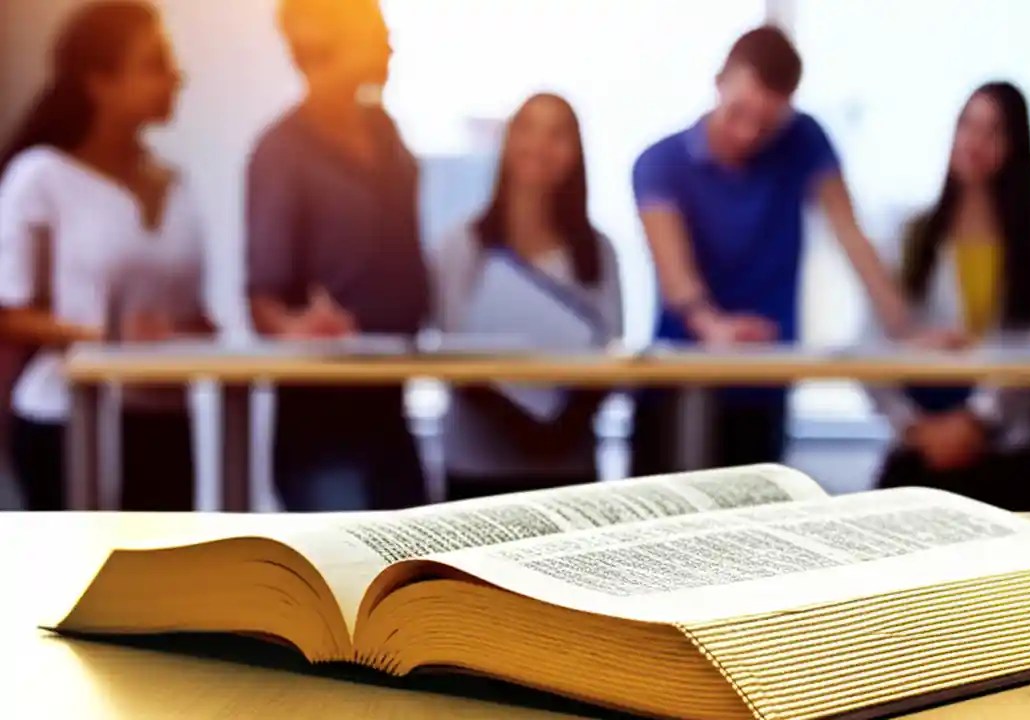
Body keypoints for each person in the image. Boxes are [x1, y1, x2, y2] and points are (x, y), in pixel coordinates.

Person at [630, 26, 914, 475]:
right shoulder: (659, 164)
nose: (747, 134)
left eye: (765, 122)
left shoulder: (803, 140)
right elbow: (676, 278)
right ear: (719, 82)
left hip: (764, 382)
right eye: (739, 112)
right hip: (679, 385)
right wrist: (715, 328)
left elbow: (852, 237)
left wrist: (905, 329)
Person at [0, 1, 213, 511]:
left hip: (165, 418)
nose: (176, 76)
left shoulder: (176, 183)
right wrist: (108, 336)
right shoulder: (41, 176)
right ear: (99, 81)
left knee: (167, 582)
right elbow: (8, 315)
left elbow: (186, 313)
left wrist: (199, 331)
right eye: (155, 63)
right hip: (69, 417)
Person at [247, 0, 430, 511]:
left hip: (391, 409)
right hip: (321, 426)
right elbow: (262, 298)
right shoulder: (282, 152)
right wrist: (296, 327)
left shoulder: (386, 133)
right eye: (376, 33)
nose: (390, 45)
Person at [866, 83, 1030, 510]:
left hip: (1010, 453)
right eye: (968, 125)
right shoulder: (913, 233)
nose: (975, 142)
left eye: (994, 130)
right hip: (920, 448)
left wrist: (979, 418)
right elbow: (867, 340)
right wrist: (913, 427)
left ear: (1017, 144)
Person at [436, 94, 623, 500]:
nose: (540, 145)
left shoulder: (598, 251)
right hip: (477, 467)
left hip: (567, 469)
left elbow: (607, 356)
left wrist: (555, 431)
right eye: (527, 129)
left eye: (557, 134)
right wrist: (524, 429)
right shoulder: (463, 244)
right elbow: (453, 355)